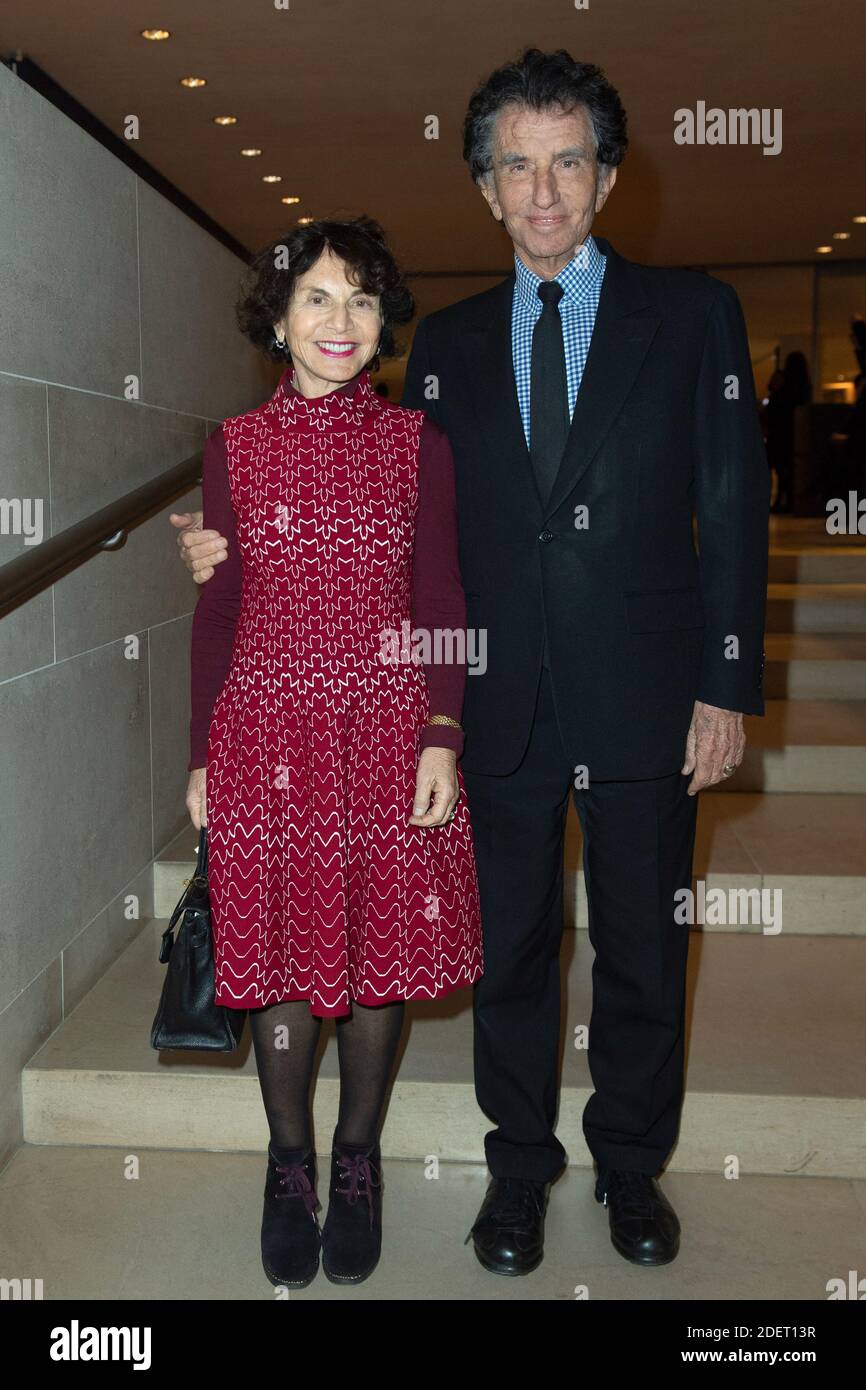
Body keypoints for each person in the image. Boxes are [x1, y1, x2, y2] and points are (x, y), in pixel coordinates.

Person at [174, 48, 769, 1277]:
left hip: (648, 688)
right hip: (486, 696)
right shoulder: (440, 342)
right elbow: (393, 519)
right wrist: (214, 549)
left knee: (645, 948)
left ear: (603, 177)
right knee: (509, 948)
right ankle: (518, 1171)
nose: (541, 190)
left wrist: (724, 683)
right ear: (485, 188)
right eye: (515, 166)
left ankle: (626, 1165)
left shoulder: (692, 314)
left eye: (566, 162)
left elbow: (732, 504)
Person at [180, 216, 483, 1288]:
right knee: (274, 956)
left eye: (359, 298)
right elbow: (217, 612)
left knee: (374, 949)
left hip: (388, 727)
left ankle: (356, 1160)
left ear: (382, 319)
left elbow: (441, 598)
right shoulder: (231, 445)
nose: (338, 320)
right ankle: (289, 1162)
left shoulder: (418, 445)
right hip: (263, 728)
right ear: (276, 318)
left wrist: (441, 733)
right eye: (314, 297)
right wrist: (201, 751)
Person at [766, 350, 811, 512]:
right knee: (789, 471)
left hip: (778, 434)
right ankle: (788, 501)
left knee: (777, 469)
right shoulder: (803, 387)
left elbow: (771, 393)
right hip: (793, 435)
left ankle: (778, 500)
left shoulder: (783, 382)